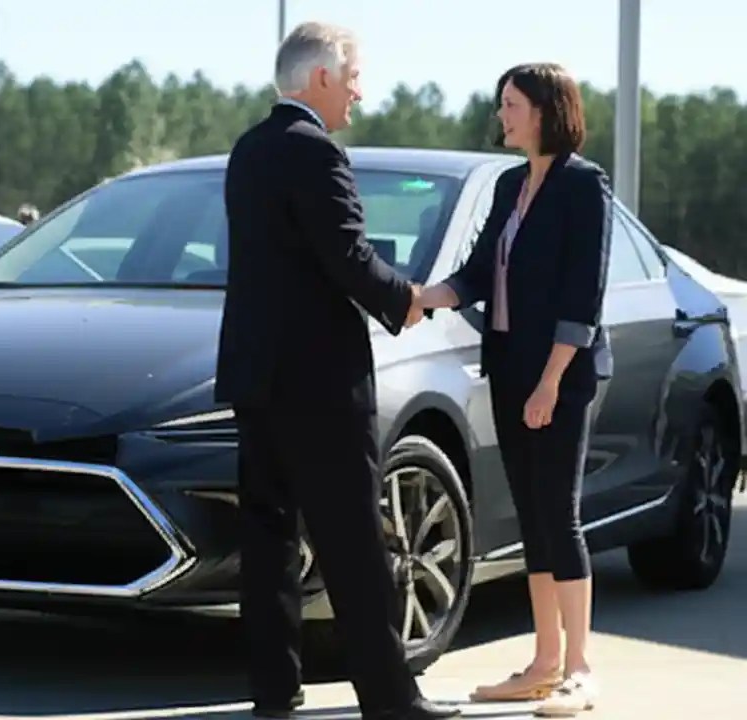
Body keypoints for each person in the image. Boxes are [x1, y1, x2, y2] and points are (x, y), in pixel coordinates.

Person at [216, 21, 459, 720]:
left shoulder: (248, 149)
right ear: (321, 76)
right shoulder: (315, 151)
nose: (359, 92)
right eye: (353, 77)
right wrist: (409, 300)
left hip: (256, 375)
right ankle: (390, 699)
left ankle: (273, 692)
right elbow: (347, 255)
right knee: (353, 543)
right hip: (319, 384)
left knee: (268, 540)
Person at [417, 62, 612, 717]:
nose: (500, 115)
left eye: (510, 104)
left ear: (544, 111)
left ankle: (580, 669)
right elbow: (476, 274)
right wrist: (417, 298)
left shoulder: (583, 186)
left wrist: (551, 383)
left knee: (558, 512)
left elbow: (582, 296)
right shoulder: (509, 184)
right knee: (532, 514)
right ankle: (544, 662)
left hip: (560, 375)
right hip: (508, 369)